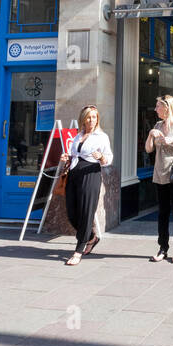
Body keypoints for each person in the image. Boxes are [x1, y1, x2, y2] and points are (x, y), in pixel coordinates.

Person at [61, 105, 113, 265]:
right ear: (83, 118)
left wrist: (101, 158)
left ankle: (79, 250)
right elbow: (74, 154)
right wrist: (67, 158)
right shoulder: (79, 135)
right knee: (71, 213)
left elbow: (109, 159)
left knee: (85, 213)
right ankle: (91, 237)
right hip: (74, 174)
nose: (92, 120)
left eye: (95, 117)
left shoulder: (101, 137)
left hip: (90, 175)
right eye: (89, 117)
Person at [145, 94, 173, 263]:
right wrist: (151, 135)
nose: (156, 109)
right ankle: (163, 248)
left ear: (166, 107)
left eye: (158, 106)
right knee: (162, 212)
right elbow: (149, 150)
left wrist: (172, 141)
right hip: (160, 173)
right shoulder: (157, 125)